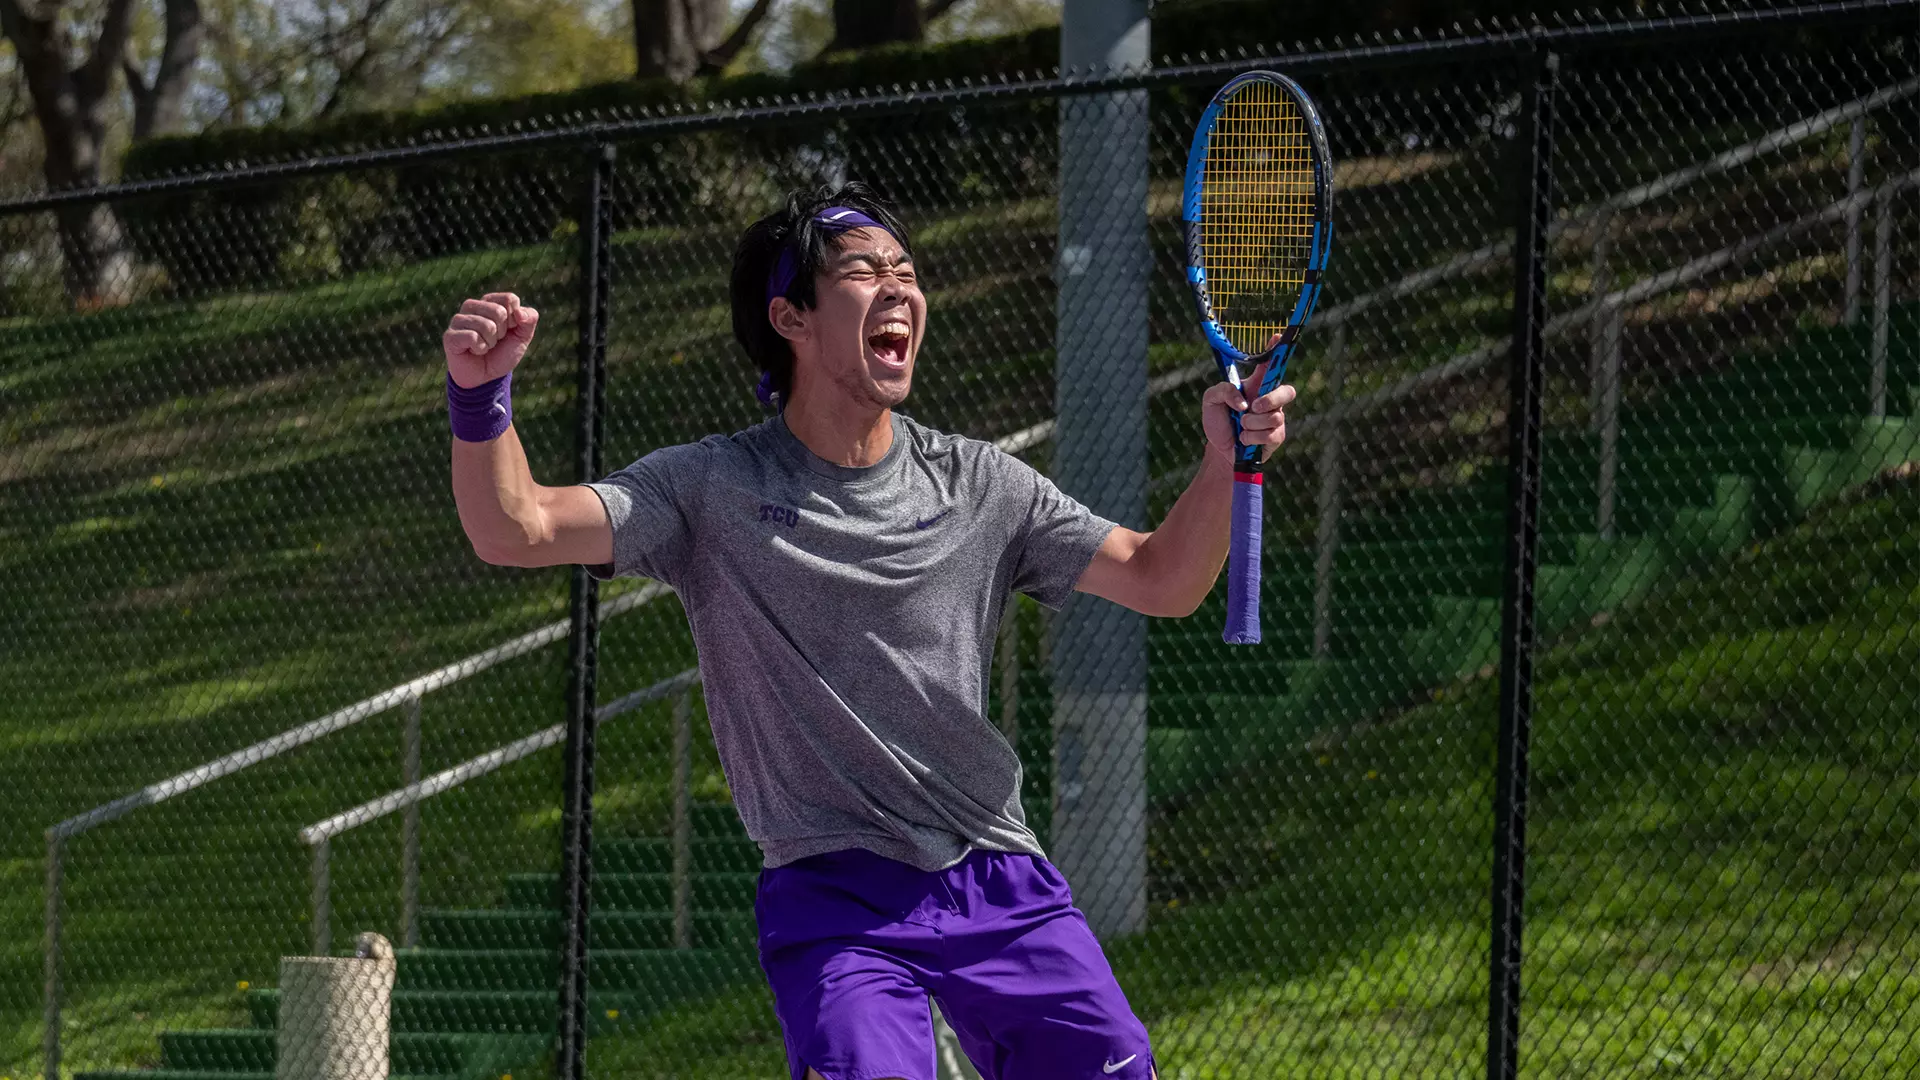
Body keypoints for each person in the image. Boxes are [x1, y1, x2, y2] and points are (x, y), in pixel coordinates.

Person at [443, 182, 1292, 1080]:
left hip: (994, 872)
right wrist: (479, 393)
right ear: (791, 316)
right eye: (863, 271)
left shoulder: (980, 484)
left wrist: (1221, 463)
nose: (898, 288)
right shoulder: (708, 490)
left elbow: (1164, 579)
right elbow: (515, 527)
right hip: (832, 893)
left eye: (908, 271)